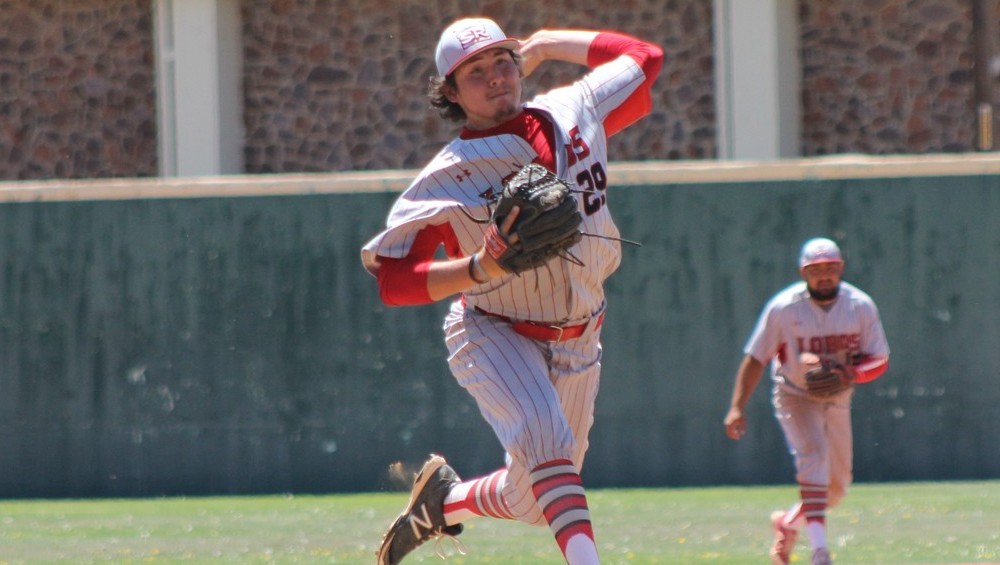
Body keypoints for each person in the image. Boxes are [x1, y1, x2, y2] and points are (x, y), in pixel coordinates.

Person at [360, 16, 662, 565]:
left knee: (532, 499)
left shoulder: (574, 108)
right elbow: (394, 280)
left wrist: (548, 42)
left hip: (581, 336)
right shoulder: (447, 174)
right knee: (548, 445)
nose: (496, 76)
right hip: (493, 329)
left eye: (503, 60)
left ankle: (443, 502)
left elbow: (645, 57)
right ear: (451, 92)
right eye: (475, 71)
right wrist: (478, 266)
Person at [722, 237, 890, 565]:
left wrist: (848, 374)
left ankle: (788, 524)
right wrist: (736, 406)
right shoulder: (784, 307)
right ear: (803, 272)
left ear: (841, 268)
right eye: (816, 270)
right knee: (813, 455)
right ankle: (820, 552)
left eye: (830, 268)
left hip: (838, 396)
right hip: (794, 394)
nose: (824, 275)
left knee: (837, 488)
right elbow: (756, 357)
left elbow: (880, 359)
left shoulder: (860, 305)